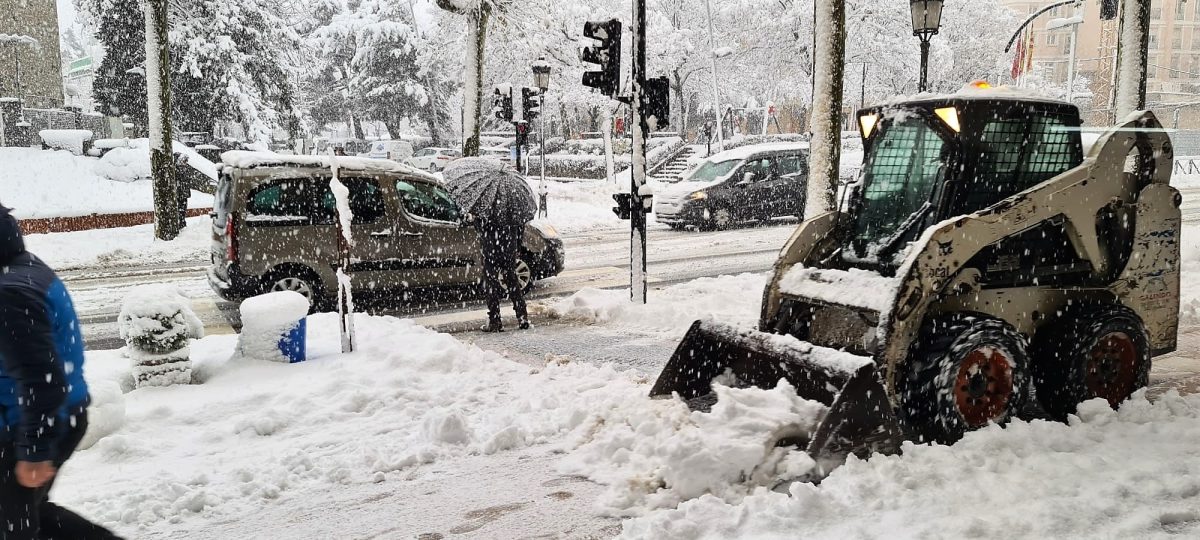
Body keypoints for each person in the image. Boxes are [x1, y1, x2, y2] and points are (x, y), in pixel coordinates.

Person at [0, 206, 121, 539]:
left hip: (29, 425)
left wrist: (34, 452)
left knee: (15, 526)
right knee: (27, 517)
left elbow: (42, 379)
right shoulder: (21, 267)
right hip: (43, 418)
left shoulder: (9, 292)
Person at [477, 212, 531, 333]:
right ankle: (522, 317)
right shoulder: (512, 206)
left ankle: (495, 322)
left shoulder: (486, 206)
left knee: (491, 285)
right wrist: (516, 246)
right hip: (508, 249)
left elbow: (480, 228)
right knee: (512, 282)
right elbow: (520, 228)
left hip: (491, 251)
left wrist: (476, 219)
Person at [174, 151, 191, 227]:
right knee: (179, 209)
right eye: (184, 161)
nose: (185, 162)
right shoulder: (175, 169)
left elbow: (187, 181)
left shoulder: (185, 168)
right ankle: (180, 223)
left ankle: (182, 222)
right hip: (178, 193)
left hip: (184, 194)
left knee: (183, 210)